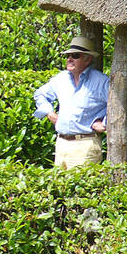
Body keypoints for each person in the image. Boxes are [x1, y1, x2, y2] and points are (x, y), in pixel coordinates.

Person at [33, 35, 110, 169]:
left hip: (85, 146)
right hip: (61, 144)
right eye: (68, 56)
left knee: (82, 188)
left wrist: (105, 123)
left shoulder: (101, 81)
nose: (69, 59)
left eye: (75, 55)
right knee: (59, 188)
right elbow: (40, 94)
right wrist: (48, 112)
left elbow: (124, 105)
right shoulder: (61, 79)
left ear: (87, 59)